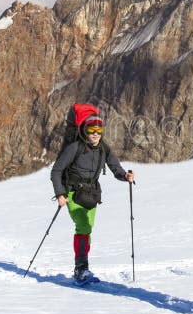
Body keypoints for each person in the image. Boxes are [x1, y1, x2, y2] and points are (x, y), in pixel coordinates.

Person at [50, 112, 135, 282]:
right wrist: (60, 194)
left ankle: (82, 267)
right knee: (83, 225)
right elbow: (56, 171)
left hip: (92, 195)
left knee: (87, 229)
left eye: (99, 130)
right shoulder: (74, 148)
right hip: (73, 194)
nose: (95, 134)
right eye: (91, 130)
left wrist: (125, 176)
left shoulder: (104, 149)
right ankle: (81, 269)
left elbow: (115, 167)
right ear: (85, 131)